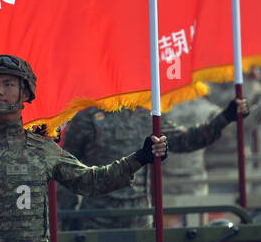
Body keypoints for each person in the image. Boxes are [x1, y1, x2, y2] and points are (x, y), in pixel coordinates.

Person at [0, 55, 168, 242]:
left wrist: (140, 157)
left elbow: (90, 181)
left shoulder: (43, 148)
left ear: (25, 93)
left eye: (8, 84)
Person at [58, 94, 250, 222]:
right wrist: (68, 215)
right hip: (96, 218)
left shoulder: (146, 116)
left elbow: (185, 140)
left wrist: (225, 117)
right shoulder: (87, 118)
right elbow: (67, 168)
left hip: (139, 217)